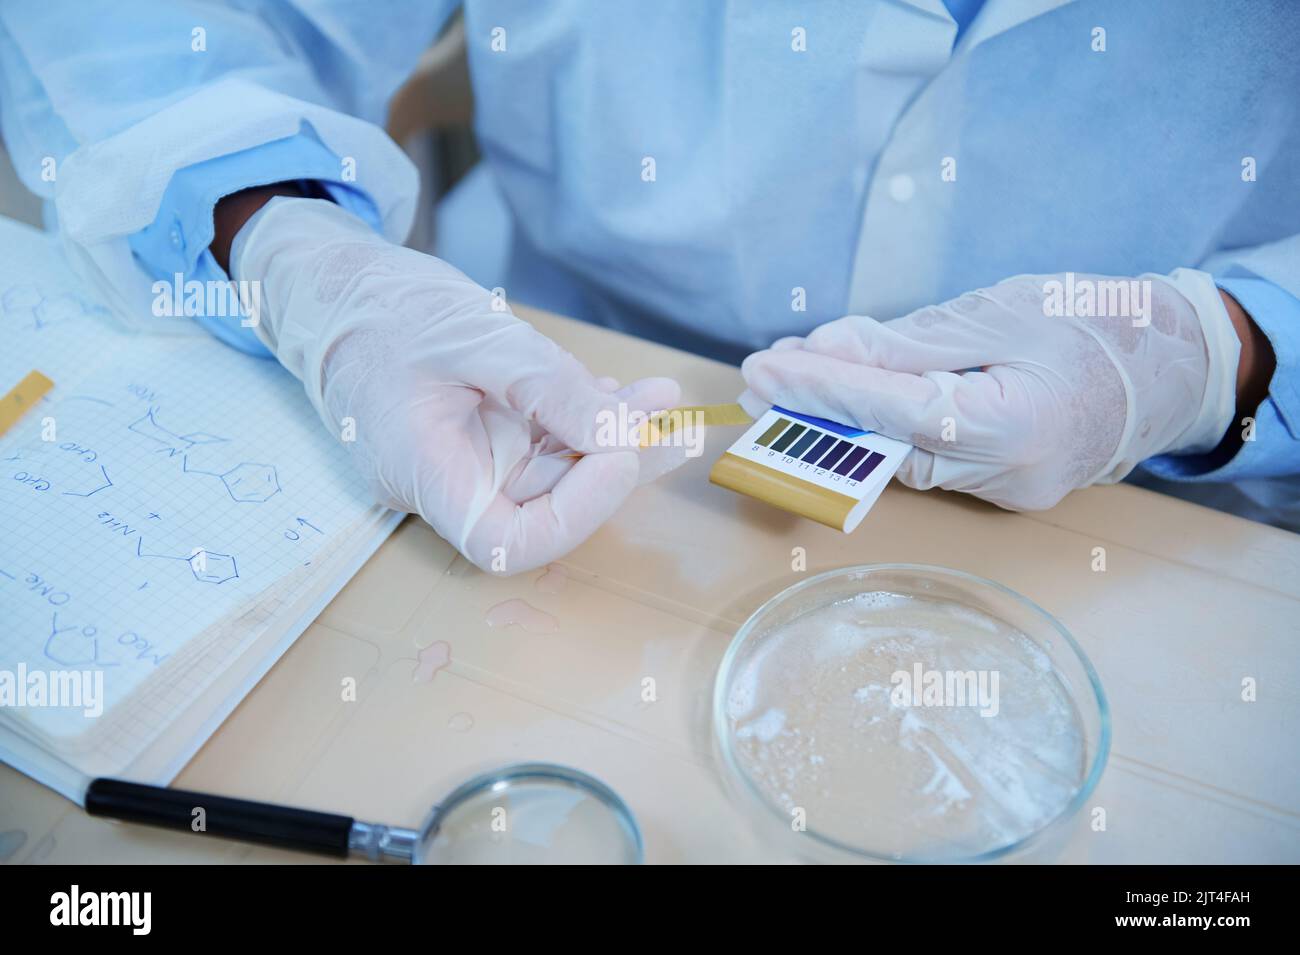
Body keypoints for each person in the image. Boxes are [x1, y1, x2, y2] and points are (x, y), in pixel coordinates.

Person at [1, 1, 1296, 573]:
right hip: (521, 397)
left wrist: (1211, 352)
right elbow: (147, 26)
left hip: (1164, 525)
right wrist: (293, 253)